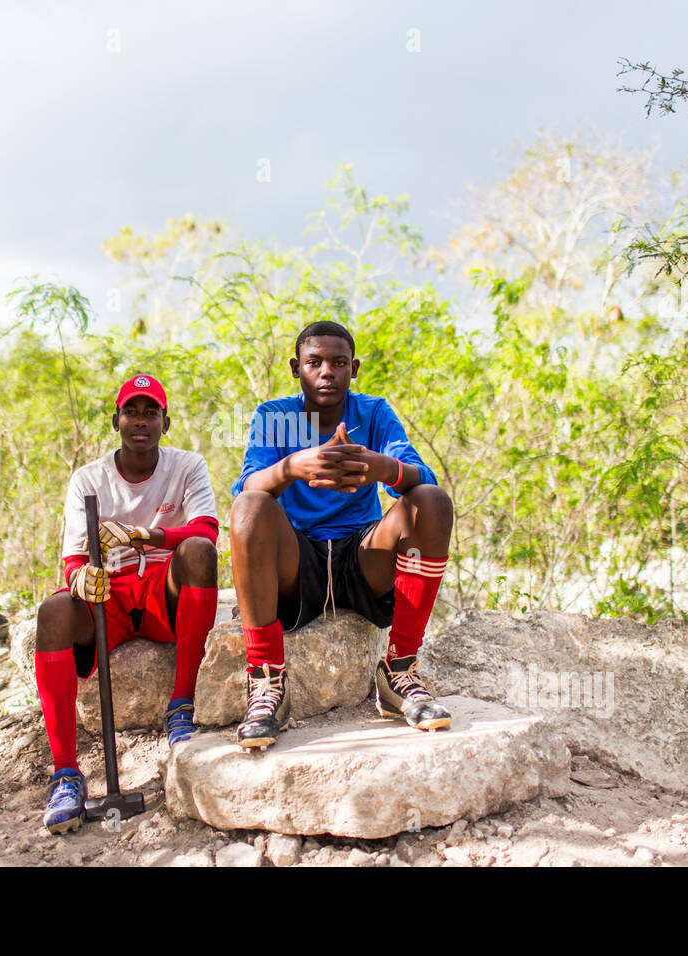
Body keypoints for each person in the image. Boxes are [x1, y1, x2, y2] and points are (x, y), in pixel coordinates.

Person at [229, 320, 454, 750]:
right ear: (296, 368)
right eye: (314, 362)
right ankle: (266, 679)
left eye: (338, 362)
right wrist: (292, 467)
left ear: (355, 368)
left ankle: (399, 670)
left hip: (362, 557)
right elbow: (245, 490)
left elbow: (420, 475)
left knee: (432, 500)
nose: (327, 371)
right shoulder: (274, 416)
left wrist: (381, 467)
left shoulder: (373, 412)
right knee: (250, 508)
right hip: (298, 560)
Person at [34, 374, 219, 833]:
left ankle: (180, 708)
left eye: (150, 412)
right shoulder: (88, 479)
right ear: (115, 420)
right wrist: (82, 580)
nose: (141, 421)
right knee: (52, 612)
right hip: (109, 599)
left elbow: (207, 531)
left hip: (162, 590)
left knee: (198, 553)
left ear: (166, 421)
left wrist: (147, 536)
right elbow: (74, 559)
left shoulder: (187, 465)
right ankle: (66, 776)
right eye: (131, 411)